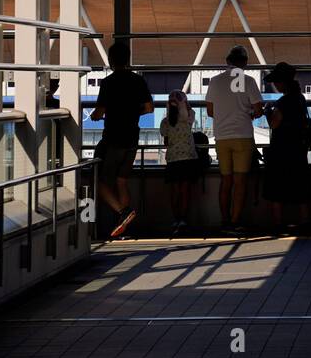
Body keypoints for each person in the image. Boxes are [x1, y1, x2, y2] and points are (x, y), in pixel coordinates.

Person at [90, 41, 154, 238]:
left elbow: (99, 112)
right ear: (128, 59)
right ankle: (123, 226)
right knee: (121, 181)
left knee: (99, 181)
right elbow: (149, 108)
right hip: (132, 138)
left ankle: (122, 212)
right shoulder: (138, 80)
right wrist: (132, 112)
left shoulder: (108, 83)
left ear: (111, 60)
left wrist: (95, 116)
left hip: (113, 138)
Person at [204, 45, 264, 234]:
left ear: (227, 61)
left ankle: (224, 221)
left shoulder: (214, 81)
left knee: (226, 181)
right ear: (245, 63)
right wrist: (248, 113)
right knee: (240, 182)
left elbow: (210, 111)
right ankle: (235, 221)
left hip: (222, 137)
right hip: (243, 136)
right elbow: (258, 109)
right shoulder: (249, 81)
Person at [261, 62, 311, 230]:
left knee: (277, 187)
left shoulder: (283, 102)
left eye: (276, 81)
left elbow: (274, 124)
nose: (275, 85)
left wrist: (267, 112)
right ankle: (305, 221)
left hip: (281, 149)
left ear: (282, 82)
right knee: (301, 186)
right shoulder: (300, 98)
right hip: (298, 148)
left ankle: (278, 223)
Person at [160, 89, 199, 235]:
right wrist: (184, 102)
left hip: (173, 159)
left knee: (175, 190)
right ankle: (183, 219)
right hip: (188, 157)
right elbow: (189, 110)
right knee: (185, 190)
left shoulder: (165, 122)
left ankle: (175, 219)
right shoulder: (188, 117)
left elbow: (166, 141)